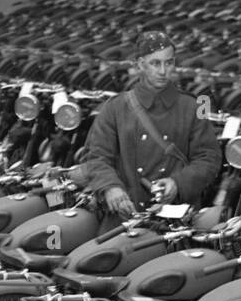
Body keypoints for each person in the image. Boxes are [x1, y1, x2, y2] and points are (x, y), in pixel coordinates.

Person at [83, 30, 221, 220]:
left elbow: (209, 158)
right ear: (140, 64)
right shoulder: (115, 107)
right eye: (155, 63)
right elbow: (96, 157)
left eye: (169, 63)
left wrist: (177, 183)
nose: (163, 71)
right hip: (125, 214)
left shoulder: (195, 105)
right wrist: (110, 187)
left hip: (175, 219)